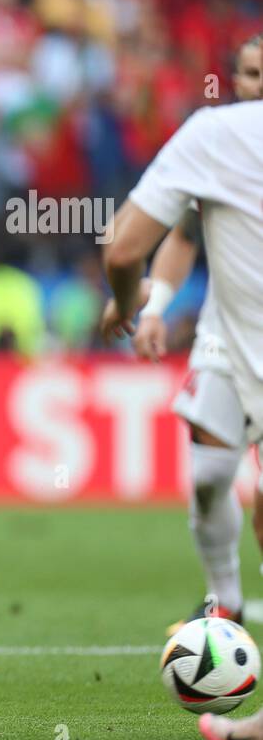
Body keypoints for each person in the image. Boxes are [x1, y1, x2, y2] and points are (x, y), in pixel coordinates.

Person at [101, 36, 263, 636]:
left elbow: (120, 247)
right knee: (206, 479)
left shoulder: (215, 137)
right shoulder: (221, 146)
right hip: (229, 333)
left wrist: (124, 298)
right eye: (248, 73)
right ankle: (225, 601)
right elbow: (185, 234)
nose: (256, 84)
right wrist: (155, 307)